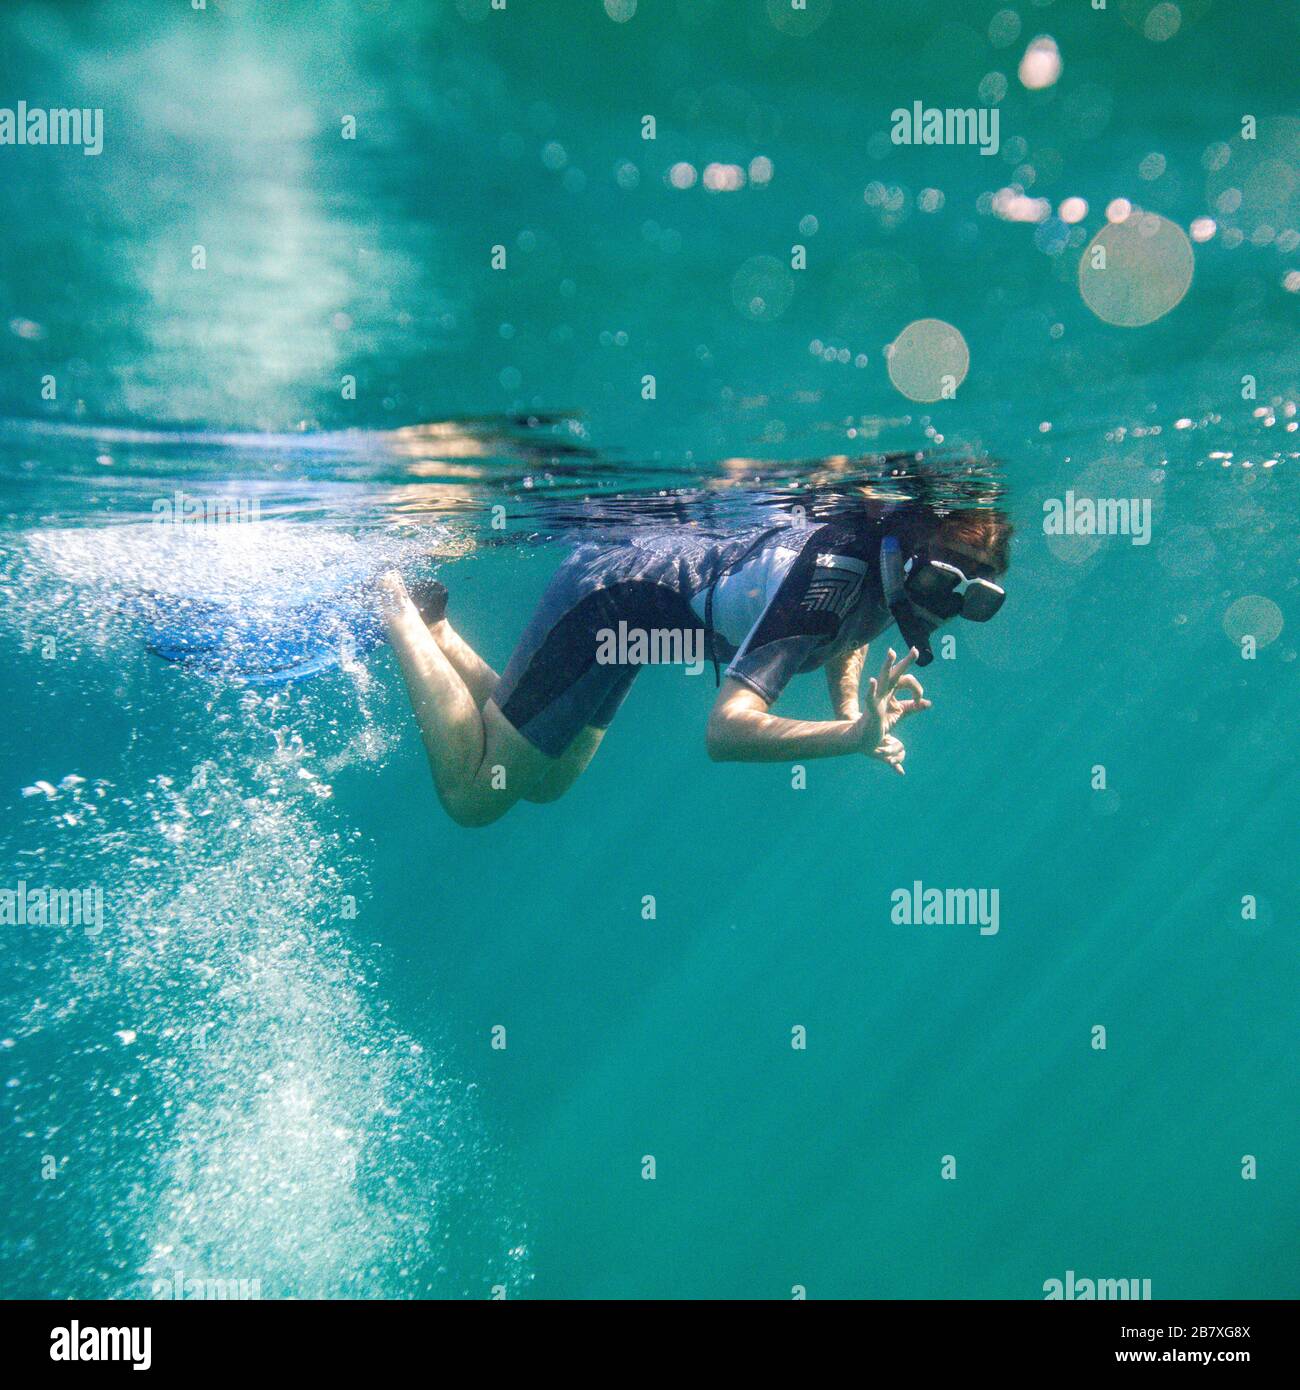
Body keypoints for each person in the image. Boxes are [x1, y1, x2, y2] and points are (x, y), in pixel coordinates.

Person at [378, 499, 1011, 827]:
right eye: (941, 582)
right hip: (610, 600)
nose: (944, 609)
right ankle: (390, 601)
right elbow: (726, 730)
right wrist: (849, 735)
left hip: (650, 627)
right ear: (908, 554)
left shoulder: (886, 562)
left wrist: (850, 704)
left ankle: (437, 628)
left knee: (545, 784)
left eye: (976, 600)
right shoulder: (833, 576)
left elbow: (858, 625)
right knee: (474, 799)